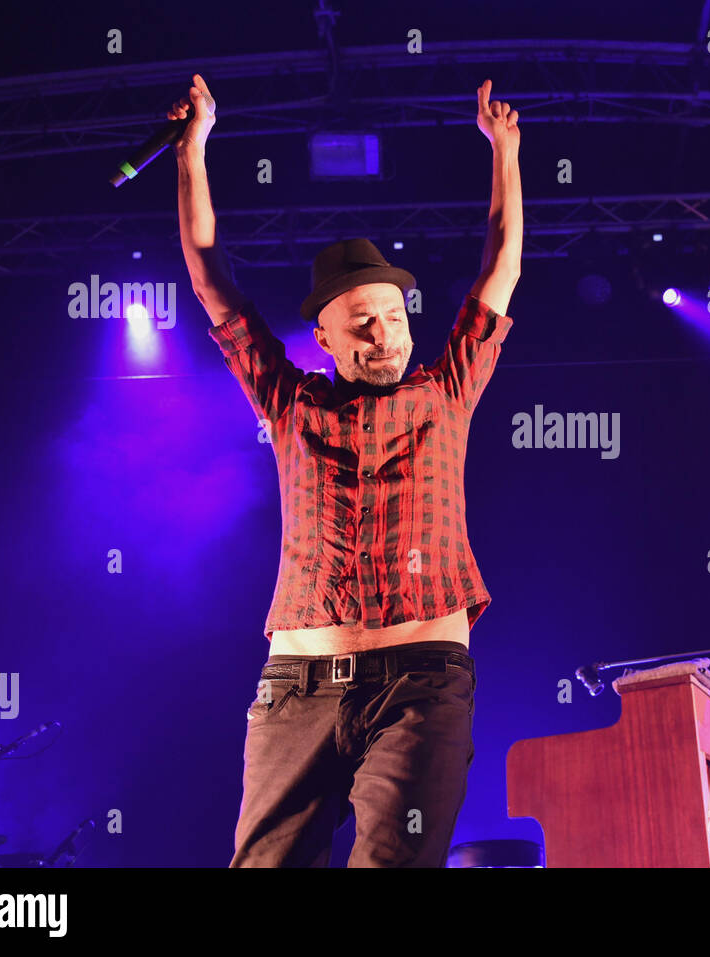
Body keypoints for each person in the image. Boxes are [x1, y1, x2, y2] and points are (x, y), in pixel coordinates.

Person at [170, 73, 522, 866]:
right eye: (362, 324)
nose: (385, 336)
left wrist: (505, 154)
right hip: (298, 680)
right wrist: (194, 150)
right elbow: (208, 275)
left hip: (421, 683)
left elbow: (500, 266)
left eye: (395, 318)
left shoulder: (447, 390)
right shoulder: (291, 401)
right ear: (324, 338)